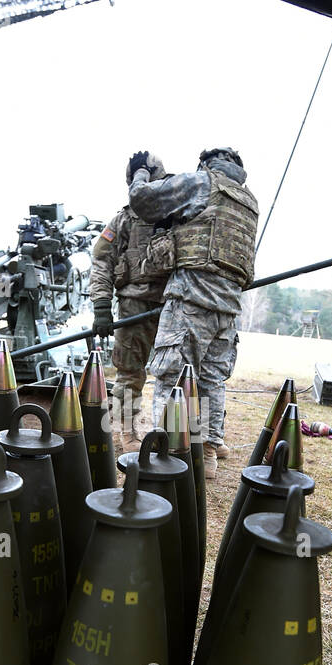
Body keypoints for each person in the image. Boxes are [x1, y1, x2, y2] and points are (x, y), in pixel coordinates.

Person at [127, 146, 258, 478]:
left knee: (173, 377)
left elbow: (143, 201)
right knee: (213, 380)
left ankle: (166, 454)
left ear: (207, 164)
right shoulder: (248, 201)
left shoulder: (202, 183)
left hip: (191, 299)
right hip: (228, 309)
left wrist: (141, 171)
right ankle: (208, 453)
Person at [89, 154, 170, 451]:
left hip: (171, 306)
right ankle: (127, 432)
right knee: (129, 373)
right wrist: (101, 305)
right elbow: (101, 262)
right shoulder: (122, 220)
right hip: (133, 306)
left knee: (175, 373)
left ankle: (180, 436)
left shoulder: (180, 215)